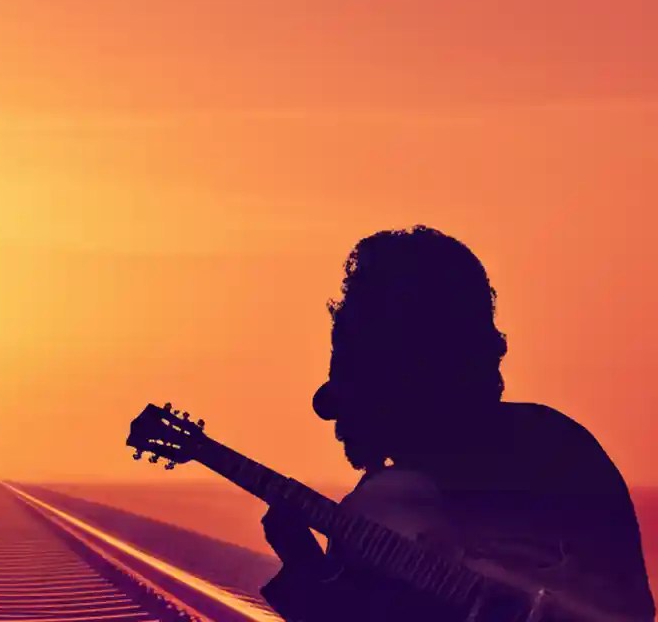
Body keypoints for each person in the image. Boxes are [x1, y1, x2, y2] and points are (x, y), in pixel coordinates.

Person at [259, 226, 654, 621]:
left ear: (411, 372)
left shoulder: (559, 459)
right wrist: (306, 571)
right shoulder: (562, 448)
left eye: (355, 373)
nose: (331, 409)